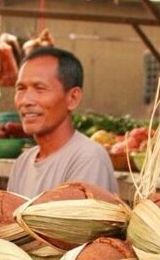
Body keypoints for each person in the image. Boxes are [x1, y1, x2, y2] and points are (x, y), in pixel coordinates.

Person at [7, 47, 116, 198]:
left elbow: (76, 221)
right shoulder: (23, 162)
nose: (26, 101)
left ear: (72, 98)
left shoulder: (88, 158)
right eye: (21, 89)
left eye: (40, 88)